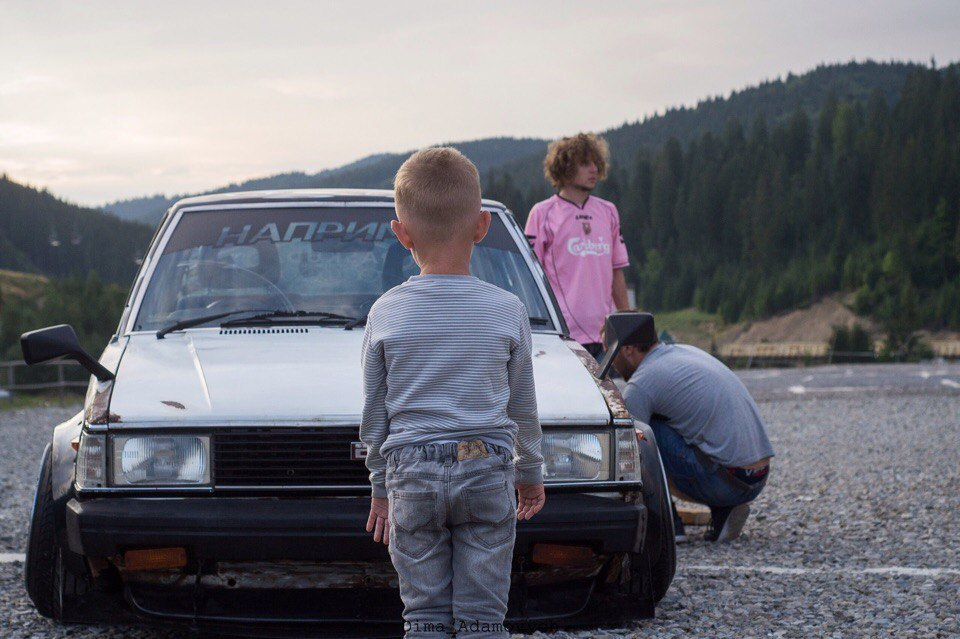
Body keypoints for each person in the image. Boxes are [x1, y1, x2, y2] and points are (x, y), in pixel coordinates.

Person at [360, 147, 546, 639]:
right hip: (486, 466)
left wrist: (379, 488)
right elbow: (522, 406)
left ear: (402, 235)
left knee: (422, 615)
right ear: (482, 226)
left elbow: (375, 417)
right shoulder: (507, 310)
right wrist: (529, 472)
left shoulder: (386, 312)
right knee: (483, 617)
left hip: (411, 473)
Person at [610, 313, 774, 543]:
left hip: (727, 482)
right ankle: (723, 512)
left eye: (611, 352)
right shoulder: (684, 352)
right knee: (679, 425)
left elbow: (628, 452)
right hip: (756, 477)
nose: (611, 364)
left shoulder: (642, 383)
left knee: (640, 435)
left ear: (627, 349)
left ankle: (669, 523)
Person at [524, 132, 631, 358]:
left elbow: (617, 272)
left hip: (605, 337)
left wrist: (627, 322)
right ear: (564, 167)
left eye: (596, 162)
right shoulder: (542, 213)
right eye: (585, 163)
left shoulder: (608, 211)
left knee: (608, 395)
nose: (593, 169)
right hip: (563, 337)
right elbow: (529, 279)